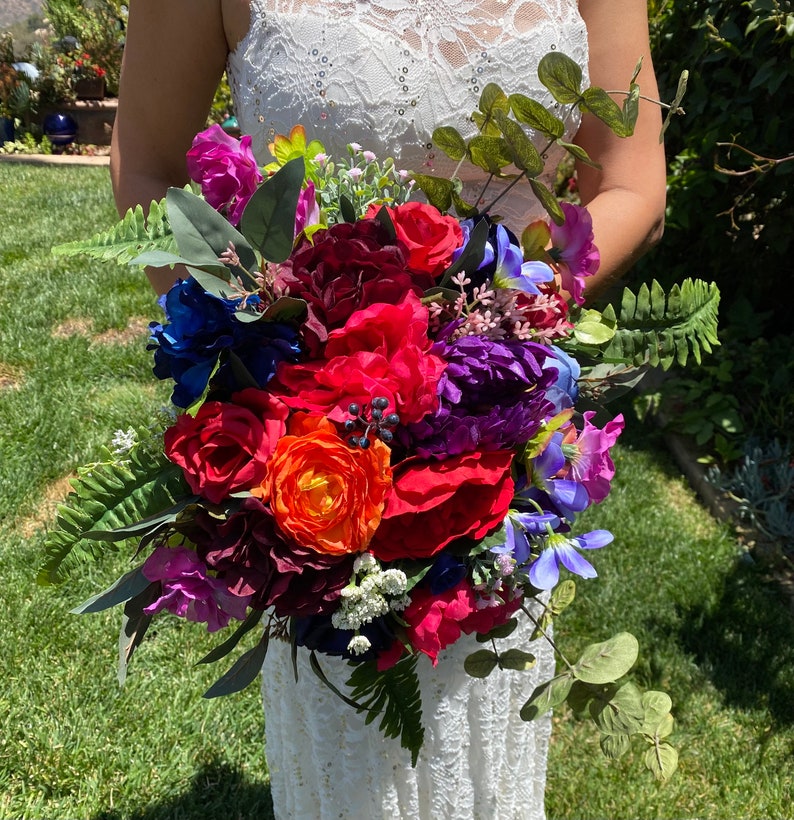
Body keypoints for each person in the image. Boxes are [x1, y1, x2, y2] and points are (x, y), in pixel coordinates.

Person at [111, 2, 666, 818]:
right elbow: (146, 167)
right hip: (314, 440)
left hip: (498, 432)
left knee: (485, 740)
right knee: (349, 749)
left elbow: (631, 181)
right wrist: (270, 352)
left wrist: (504, 325)